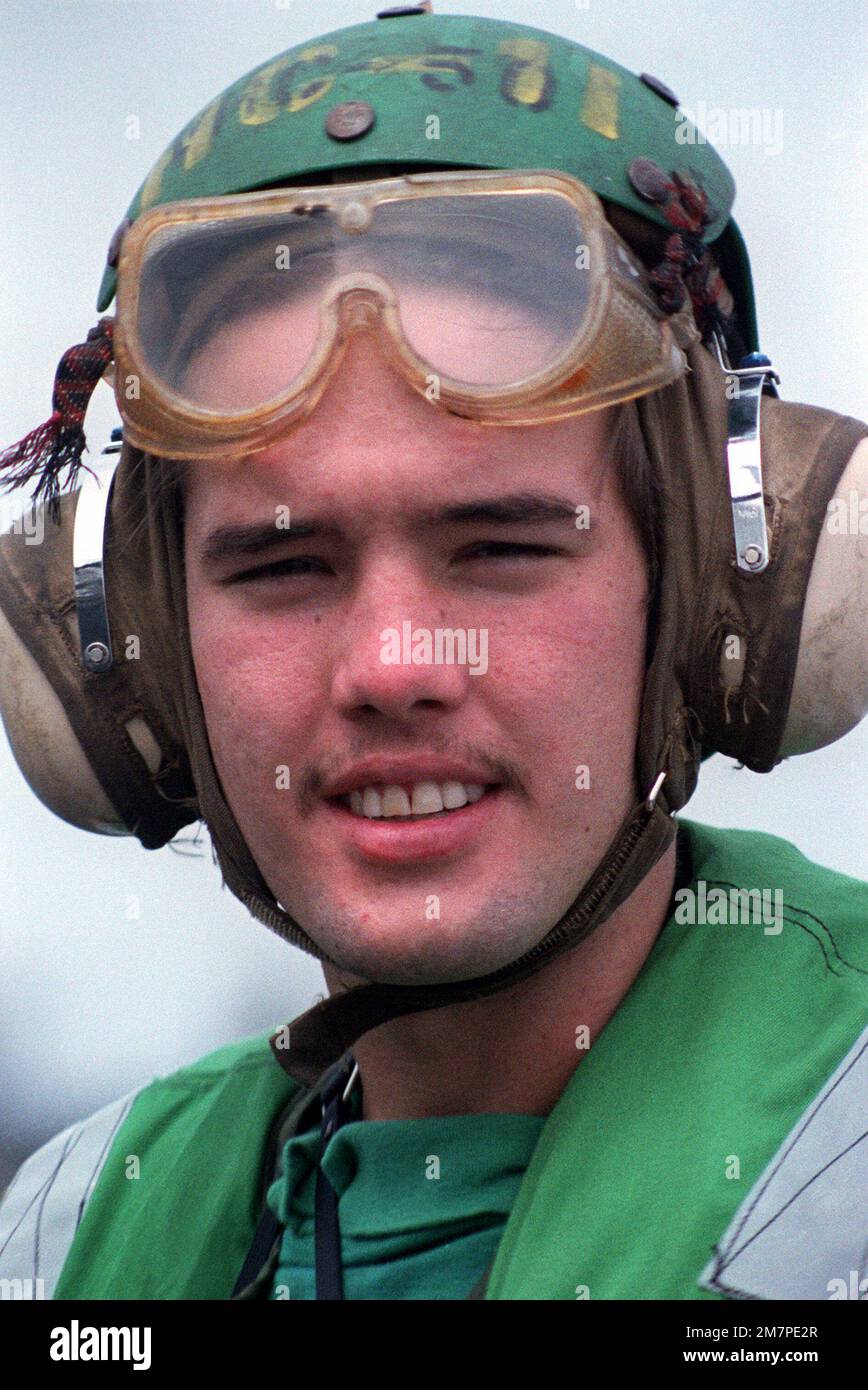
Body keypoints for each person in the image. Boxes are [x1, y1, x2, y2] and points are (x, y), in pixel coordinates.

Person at [0, 7, 865, 1302]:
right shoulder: (62, 1246)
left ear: (711, 598)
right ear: (137, 648)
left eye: (504, 548)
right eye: (285, 565)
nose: (395, 661)